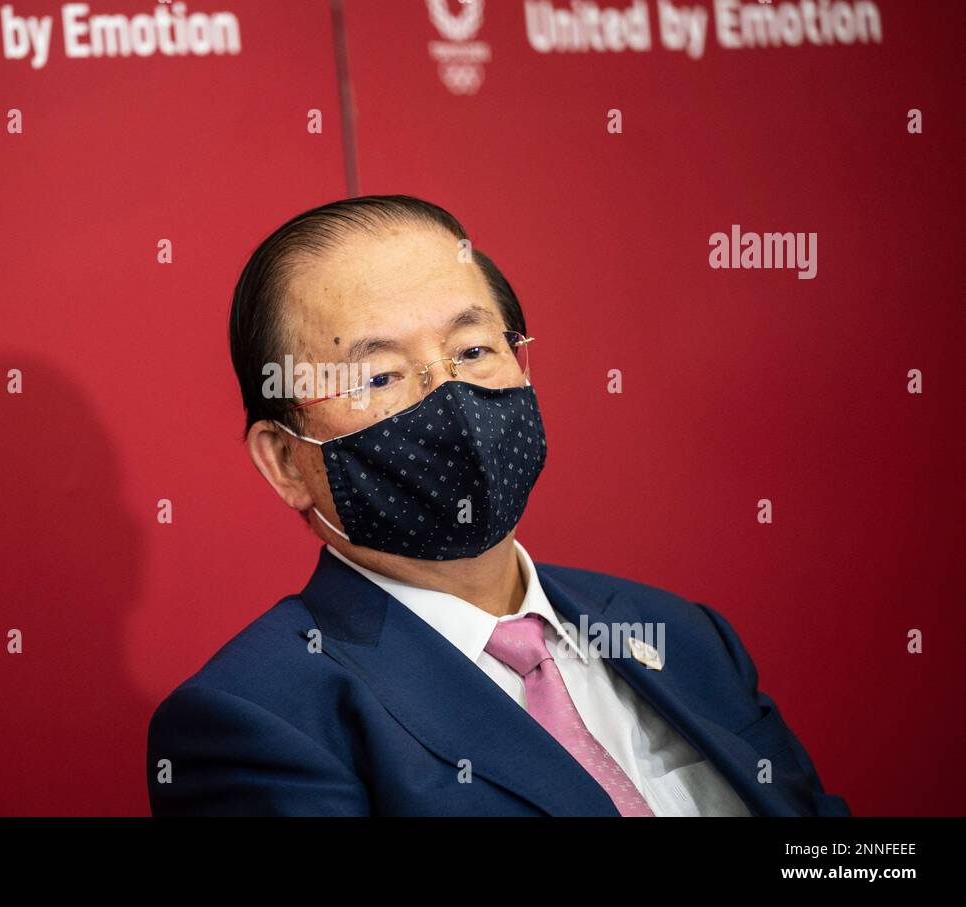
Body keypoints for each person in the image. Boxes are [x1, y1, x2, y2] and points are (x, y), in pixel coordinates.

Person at [146, 194, 849, 816]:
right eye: (381, 373)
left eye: (474, 348)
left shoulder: (682, 634)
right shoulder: (258, 718)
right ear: (284, 458)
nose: (447, 395)